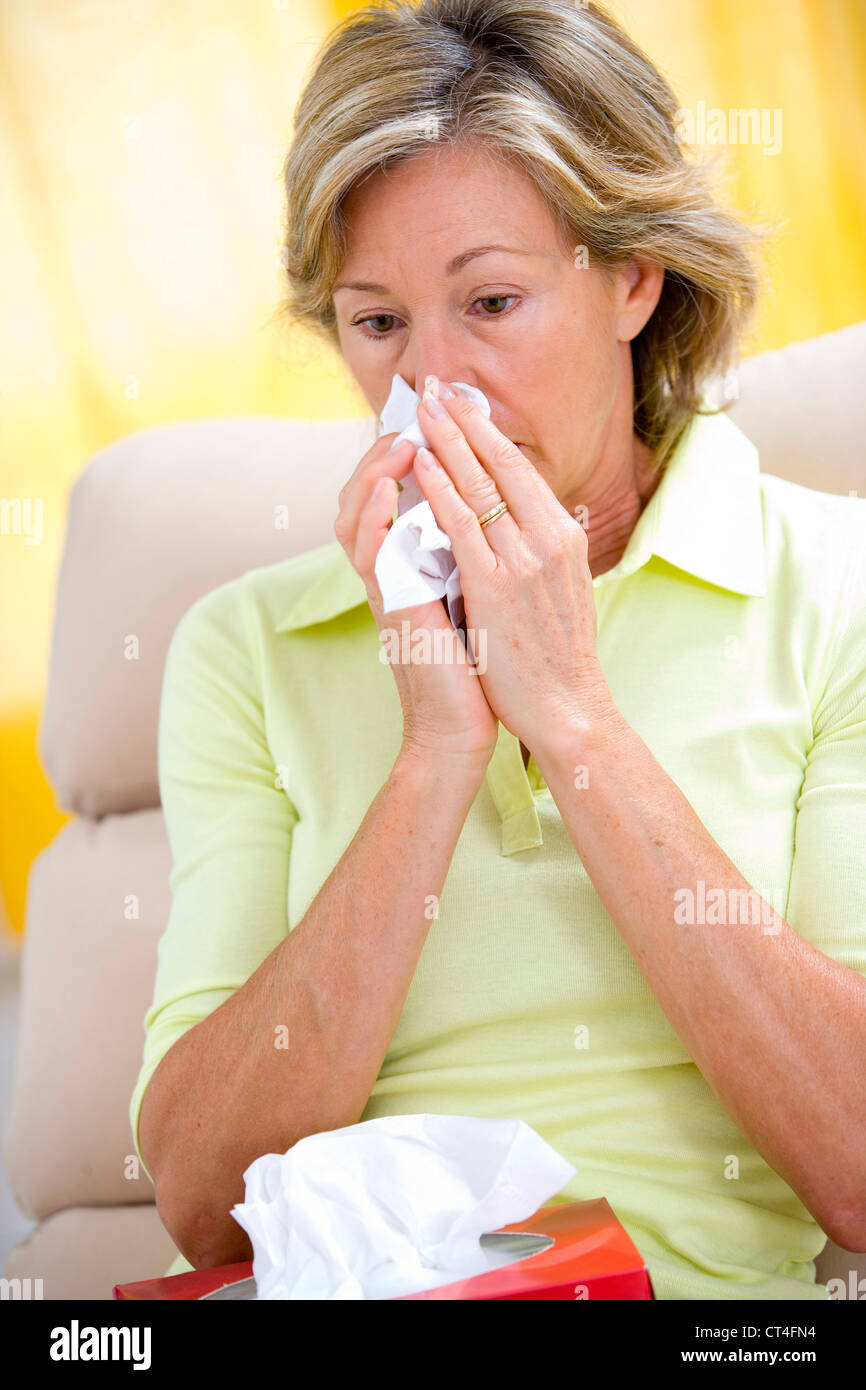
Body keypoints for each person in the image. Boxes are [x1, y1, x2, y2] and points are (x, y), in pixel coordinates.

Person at [131, 0, 866, 1299]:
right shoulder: (245, 644)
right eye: (377, 324)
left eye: (491, 300)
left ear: (631, 277)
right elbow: (203, 1207)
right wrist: (436, 751)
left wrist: (574, 724)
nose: (435, 391)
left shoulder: (839, 590)